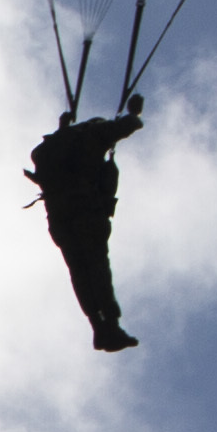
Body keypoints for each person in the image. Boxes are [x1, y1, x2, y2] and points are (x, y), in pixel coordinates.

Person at [26, 92, 144, 351]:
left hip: (60, 221)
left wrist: (62, 127)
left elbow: (62, 150)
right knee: (98, 269)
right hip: (86, 214)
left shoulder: (58, 145)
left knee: (79, 272)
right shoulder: (94, 135)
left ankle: (98, 327)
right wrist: (134, 112)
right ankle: (109, 326)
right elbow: (127, 126)